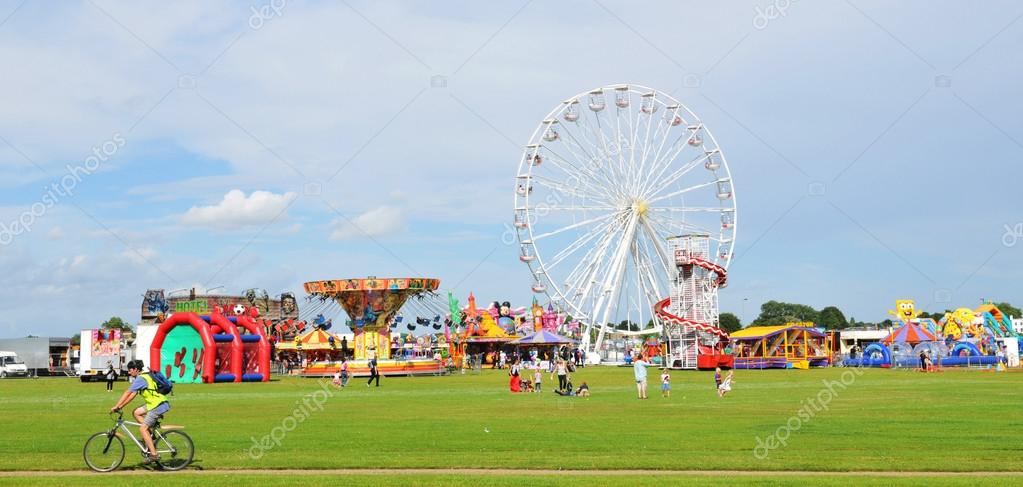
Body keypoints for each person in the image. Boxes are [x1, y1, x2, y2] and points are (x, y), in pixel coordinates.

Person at [109, 360, 169, 464]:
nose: (129, 372)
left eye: (130, 370)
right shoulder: (145, 376)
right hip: (155, 403)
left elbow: (127, 392)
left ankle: (154, 455)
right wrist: (121, 406)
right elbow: (132, 394)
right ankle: (150, 434)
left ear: (136, 369)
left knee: (142, 429)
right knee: (136, 412)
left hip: (157, 405)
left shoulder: (141, 378)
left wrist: (117, 406)